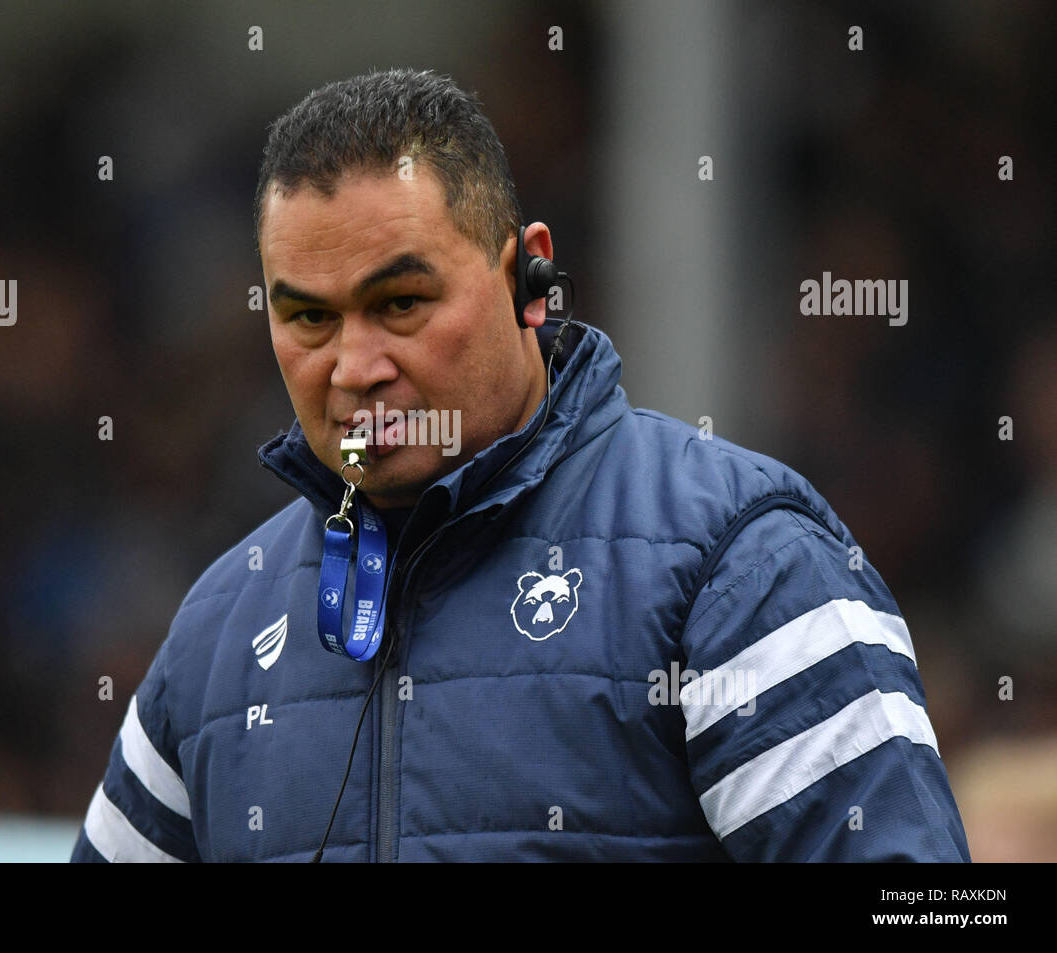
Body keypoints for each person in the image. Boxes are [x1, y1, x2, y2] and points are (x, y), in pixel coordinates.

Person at [70, 67, 971, 862]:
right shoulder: (220, 628)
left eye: (402, 302)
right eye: (309, 318)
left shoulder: (741, 568)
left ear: (527, 279)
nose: (353, 367)